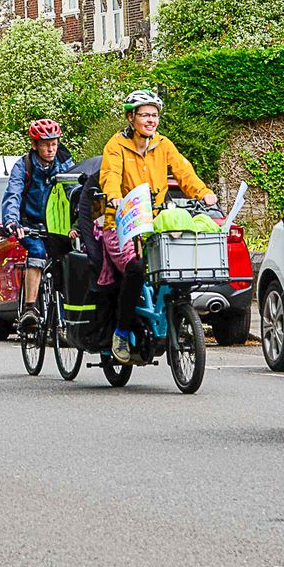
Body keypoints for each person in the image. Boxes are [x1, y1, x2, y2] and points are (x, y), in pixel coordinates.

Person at [97, 91, 218, 363]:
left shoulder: (163, 145)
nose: (151, 120)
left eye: (154, 115)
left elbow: (184, 173)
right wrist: (115, 196)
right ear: (131, 117)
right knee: (136, 269)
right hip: (121, 222)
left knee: (176, 266)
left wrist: (203, 193)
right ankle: (121, 330)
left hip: (154, 222)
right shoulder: (116, 146)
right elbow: (110, 176)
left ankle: (173, 313)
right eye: (145, 115)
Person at [1, 119, 75, 331]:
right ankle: (30, 309)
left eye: (54, 143)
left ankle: (66, 315)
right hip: (29, 224)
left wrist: (77, 221)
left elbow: (73, 190)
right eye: (45, 144)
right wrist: (12, 222)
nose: (51, 149)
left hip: (56, 225)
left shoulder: (64, 161)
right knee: (37, 253)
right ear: (35, 145)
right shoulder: (23, 165)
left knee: (67, 260)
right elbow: (13, 195)